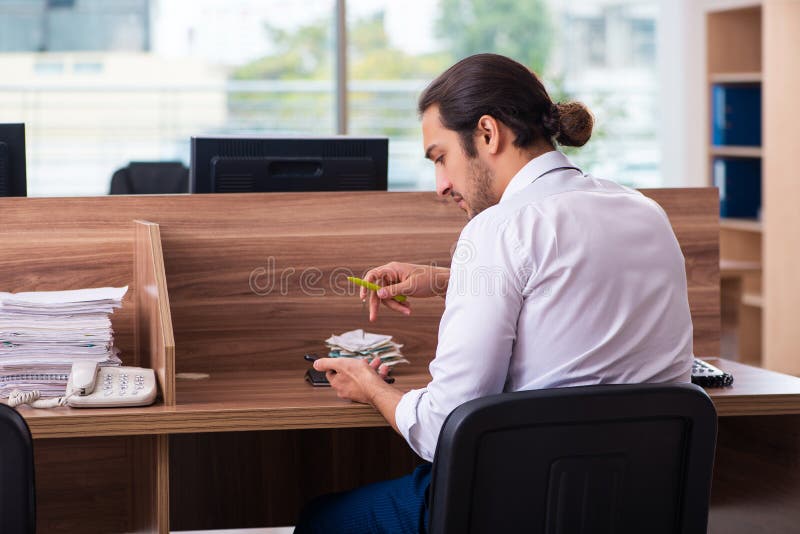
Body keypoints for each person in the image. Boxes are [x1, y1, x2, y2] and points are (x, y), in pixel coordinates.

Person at [294, 53, 692, 534]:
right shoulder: (645, 212)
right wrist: (448, 278)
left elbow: (442, 429)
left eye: (441, 158)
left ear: (488, 133)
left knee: (319, 520)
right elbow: (566, 291)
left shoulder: (498, 230)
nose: (440, 185)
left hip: (519, 504)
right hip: (633, 504)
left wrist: (372, 387)